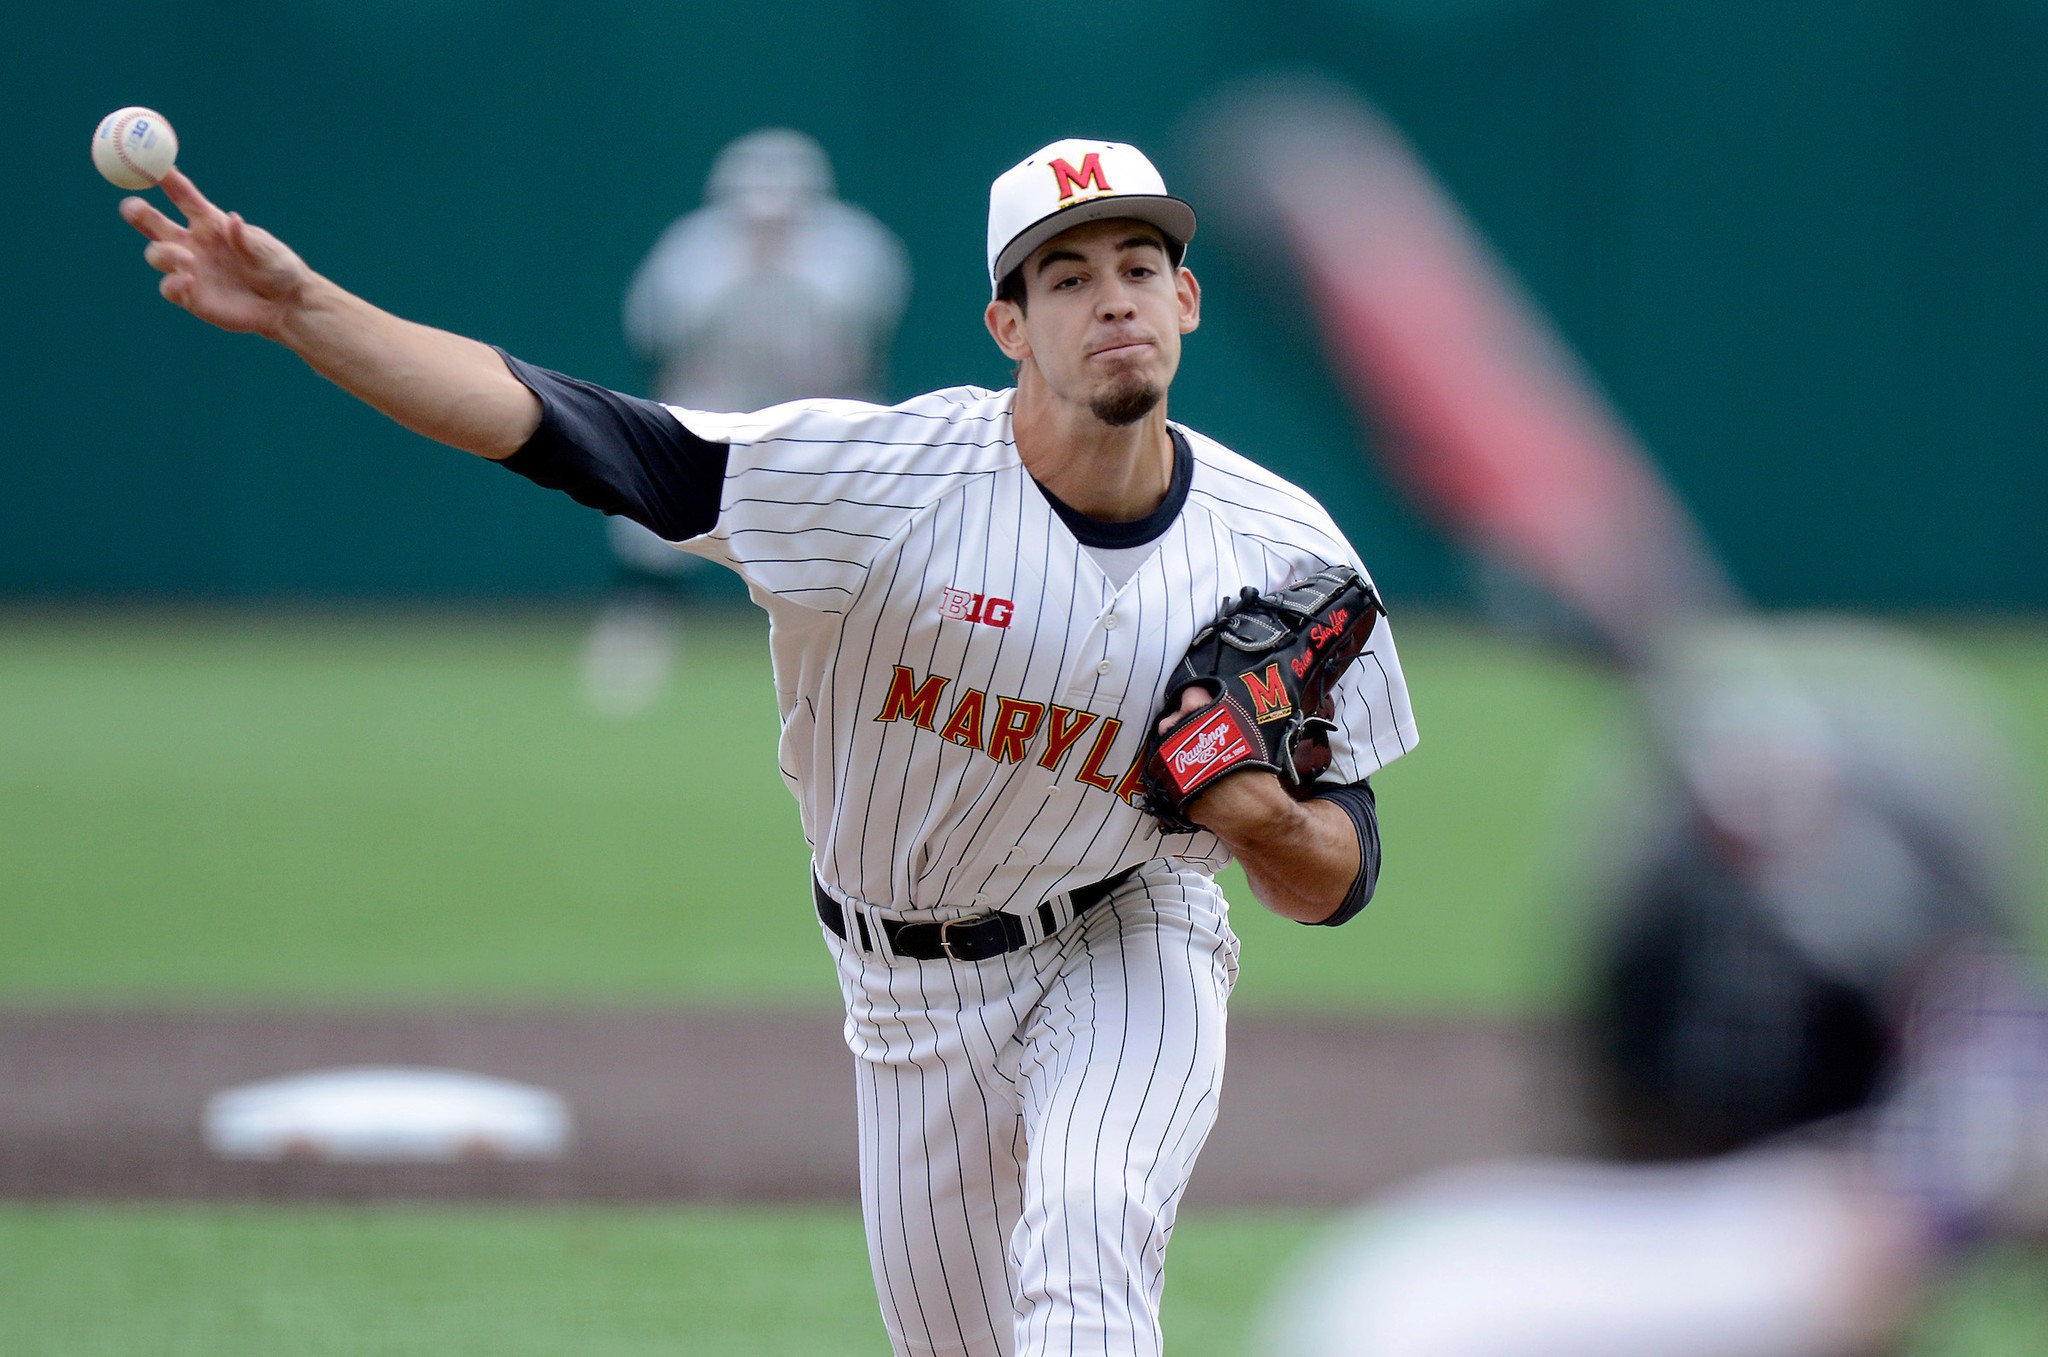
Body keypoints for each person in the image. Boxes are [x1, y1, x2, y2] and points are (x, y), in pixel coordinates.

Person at [115, 137, 1419, 1357]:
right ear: (1008, 327)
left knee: (1088, 1251)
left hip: (1127, 934)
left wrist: (1259, 817)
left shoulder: (1283, 551)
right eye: (1068, 276)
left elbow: (1337, 881)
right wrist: (305, 311)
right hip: (906, 990)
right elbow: (549, 422)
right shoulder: (877, 488)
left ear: (1188, 300)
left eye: (1140, 267)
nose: (1114, 299)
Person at [588, 129, 910, 714]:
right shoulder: (690, 253)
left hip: (817, 407)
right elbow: (657, 340)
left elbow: (863, 347)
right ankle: (637, 634)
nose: (770, 228)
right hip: (720, 400)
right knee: (652, 512)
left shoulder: (854, 250)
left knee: (866, 521)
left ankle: (876, 652)